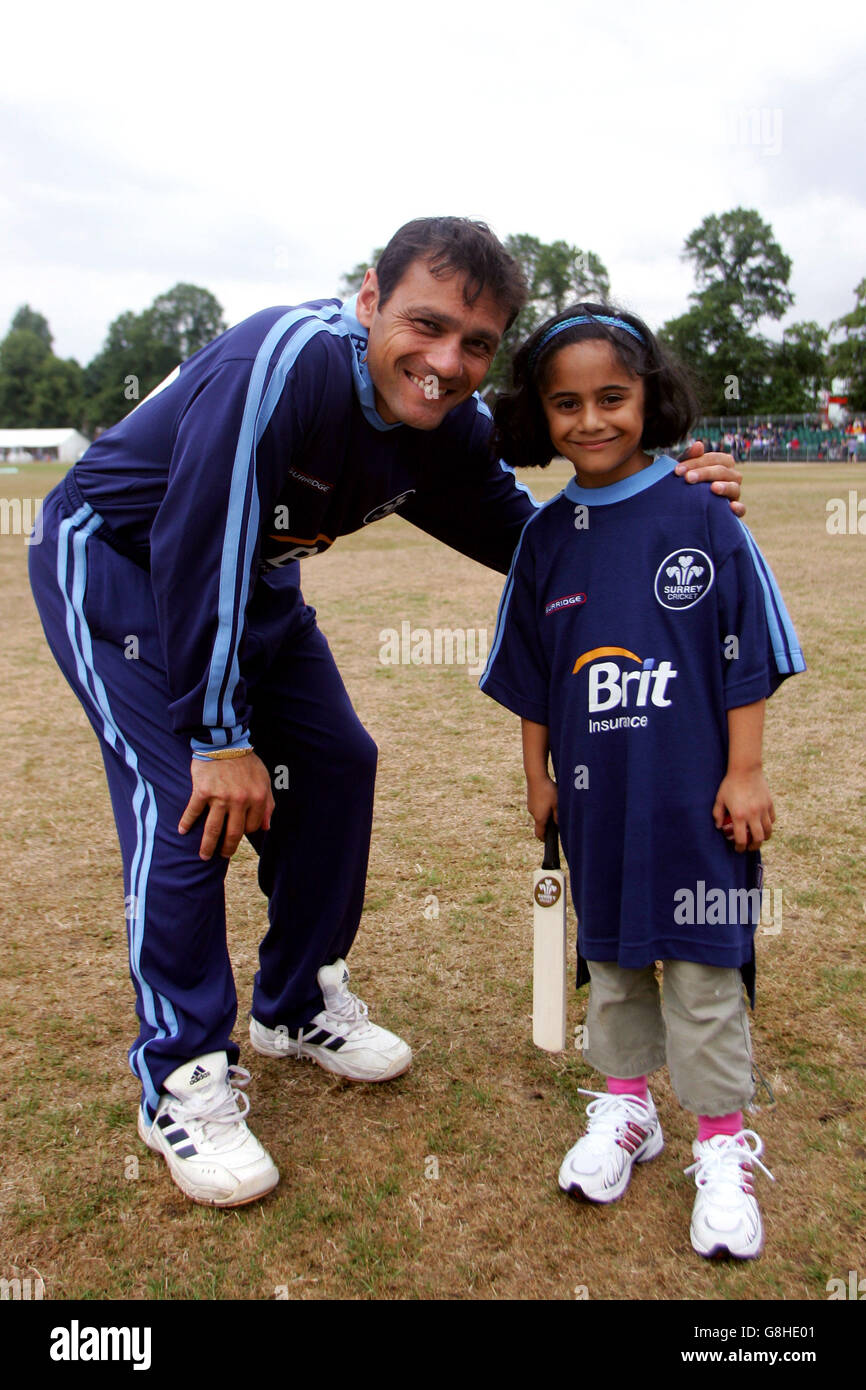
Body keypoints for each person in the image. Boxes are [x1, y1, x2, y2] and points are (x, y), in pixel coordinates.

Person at [28, 220, 745, 1209]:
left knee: (336, 763)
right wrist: (218, 735)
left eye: (477, 344)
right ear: (369, 299)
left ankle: (293, 1001)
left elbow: (537, 545)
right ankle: (180, 1073)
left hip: (251, 582)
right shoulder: (283, 365)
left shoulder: (440, 425)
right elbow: (201, 538)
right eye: (426, 324)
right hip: (123, 564)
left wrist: (670, 510)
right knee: (185, 800)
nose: (446, 363)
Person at [480, 304, 805, 1258]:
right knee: (614, 963)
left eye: (613, 398)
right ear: (539, 416)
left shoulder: (706, 514)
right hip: (596, 802)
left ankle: (719, 1145)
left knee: (704, 973)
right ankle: (628, 1112)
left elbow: (748, 656)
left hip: (697, 807)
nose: (591, 421)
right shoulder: (545, 539)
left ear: (650, 399)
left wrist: (746, 773)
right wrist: (536, 776)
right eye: (566, 403)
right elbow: (534, 673)